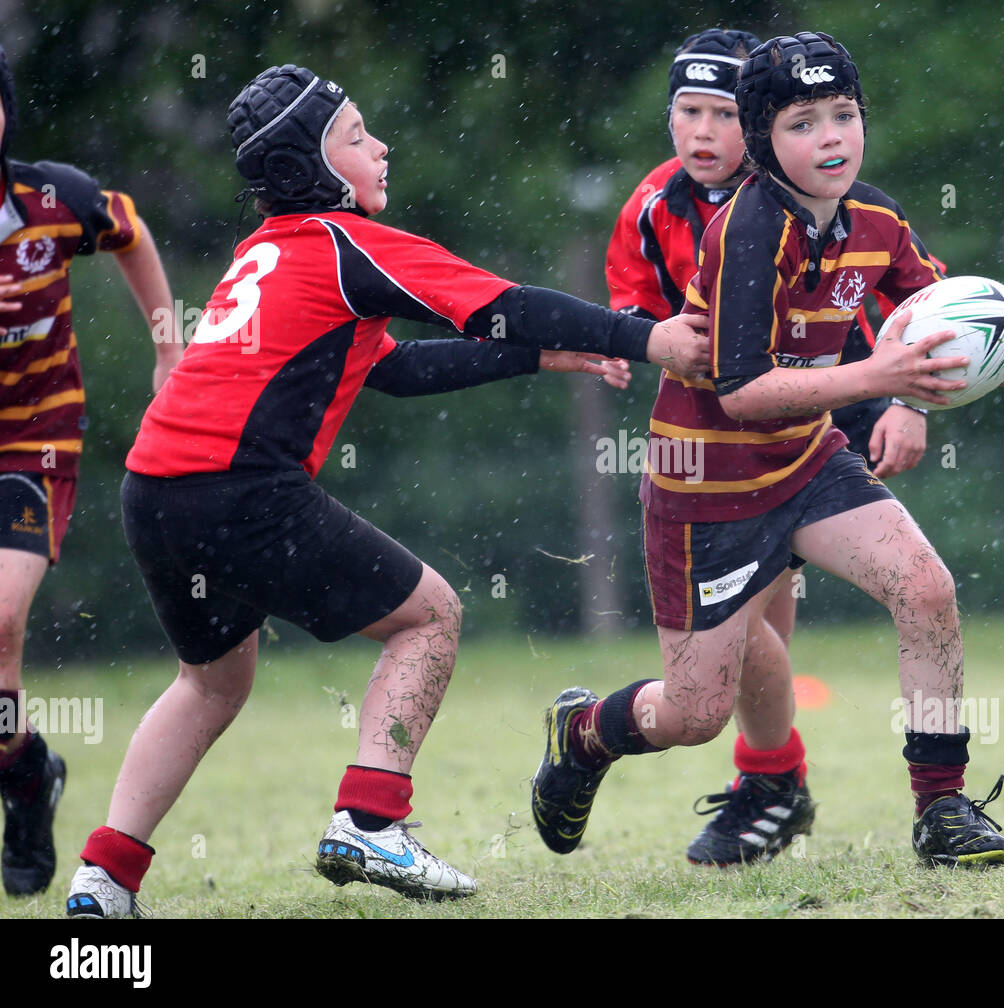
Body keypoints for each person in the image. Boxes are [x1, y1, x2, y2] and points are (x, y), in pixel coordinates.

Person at [64, 64, 708, 918]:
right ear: (313, 171)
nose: (383, 146)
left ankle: (104, 877)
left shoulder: (262, 253)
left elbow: (395, 372)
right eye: (358, 135)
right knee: (430, 617)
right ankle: (371, 818)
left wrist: (540, 356)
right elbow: (502, 304)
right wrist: (645, 334)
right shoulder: (345, 242)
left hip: (154, 491)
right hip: (240, 487)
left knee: (210, 684)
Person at [535, 32, 1004, 871]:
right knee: (694, 713)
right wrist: (877, 374)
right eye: (803, 122)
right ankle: (584, 733)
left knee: (926, 587)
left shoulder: (876, 219)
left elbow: (933, 310)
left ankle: (944, 809)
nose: (831, 137)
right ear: (765, 142)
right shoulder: (745, 232)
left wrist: (969, 364)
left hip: (806, 460)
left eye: (845, 115)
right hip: (704, 487)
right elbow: (742, 393)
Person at [603, 29, 935, 865]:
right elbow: (636, 313)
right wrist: (631, 339)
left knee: (818, 612)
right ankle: (760, 775)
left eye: (722, 112)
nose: (704, 131)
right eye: (690, 112)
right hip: (712, 442)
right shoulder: (662, 206)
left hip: (831, 402)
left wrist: (904, 395)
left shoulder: (836, 199)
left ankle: (776, 785)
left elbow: (895, 299)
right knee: (733, 660)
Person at [0, 44, 182, 899]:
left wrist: (165, 346)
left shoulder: (52, 199)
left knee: (1, 620)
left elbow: (132, 231)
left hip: (32, 447)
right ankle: (28, 772)